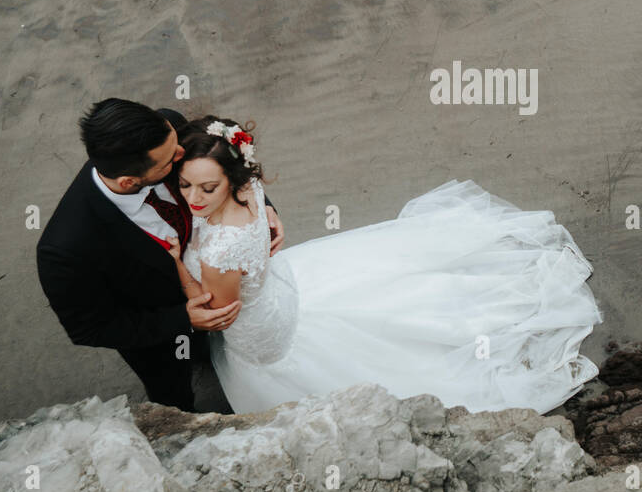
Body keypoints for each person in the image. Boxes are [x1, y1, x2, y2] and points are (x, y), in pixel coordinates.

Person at [167, 113, 603, 416]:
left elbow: (221, 314)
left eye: (207, 188)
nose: (193, 198)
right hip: (282, 290)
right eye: (184, 185)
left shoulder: (221, 251)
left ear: (231, 178)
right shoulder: (248, 188)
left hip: (262, 335)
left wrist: (179, 267)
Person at [35, 99, 284, 411]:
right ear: (129, 182)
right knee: (173, 398)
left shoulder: (168, 132)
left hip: (224, 287)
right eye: (170, 161)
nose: (181, 153)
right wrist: (183, 320)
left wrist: (261, 210)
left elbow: (223, 162)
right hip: (161, 337)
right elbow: (90, 328)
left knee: (221, 350)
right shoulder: (65, 250)